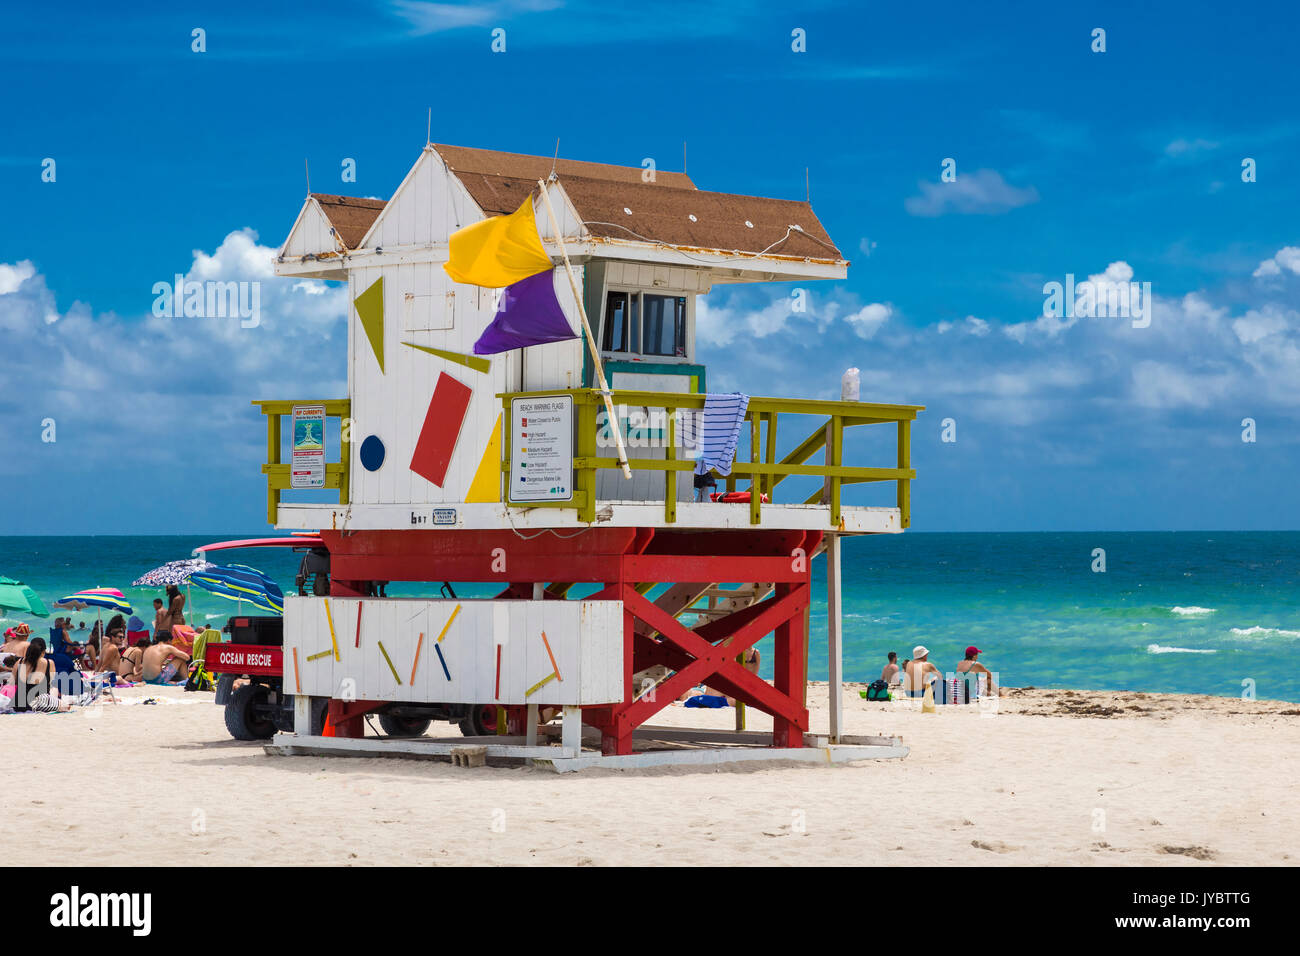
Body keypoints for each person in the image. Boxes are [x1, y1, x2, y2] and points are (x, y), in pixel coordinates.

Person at [13, 638, 67, 712]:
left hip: (18, 704)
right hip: (39, 704)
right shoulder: (49, 663)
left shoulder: (19, 662)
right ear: (44, 651)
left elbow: (14, 682)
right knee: (58, 694)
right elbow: (52, 684)